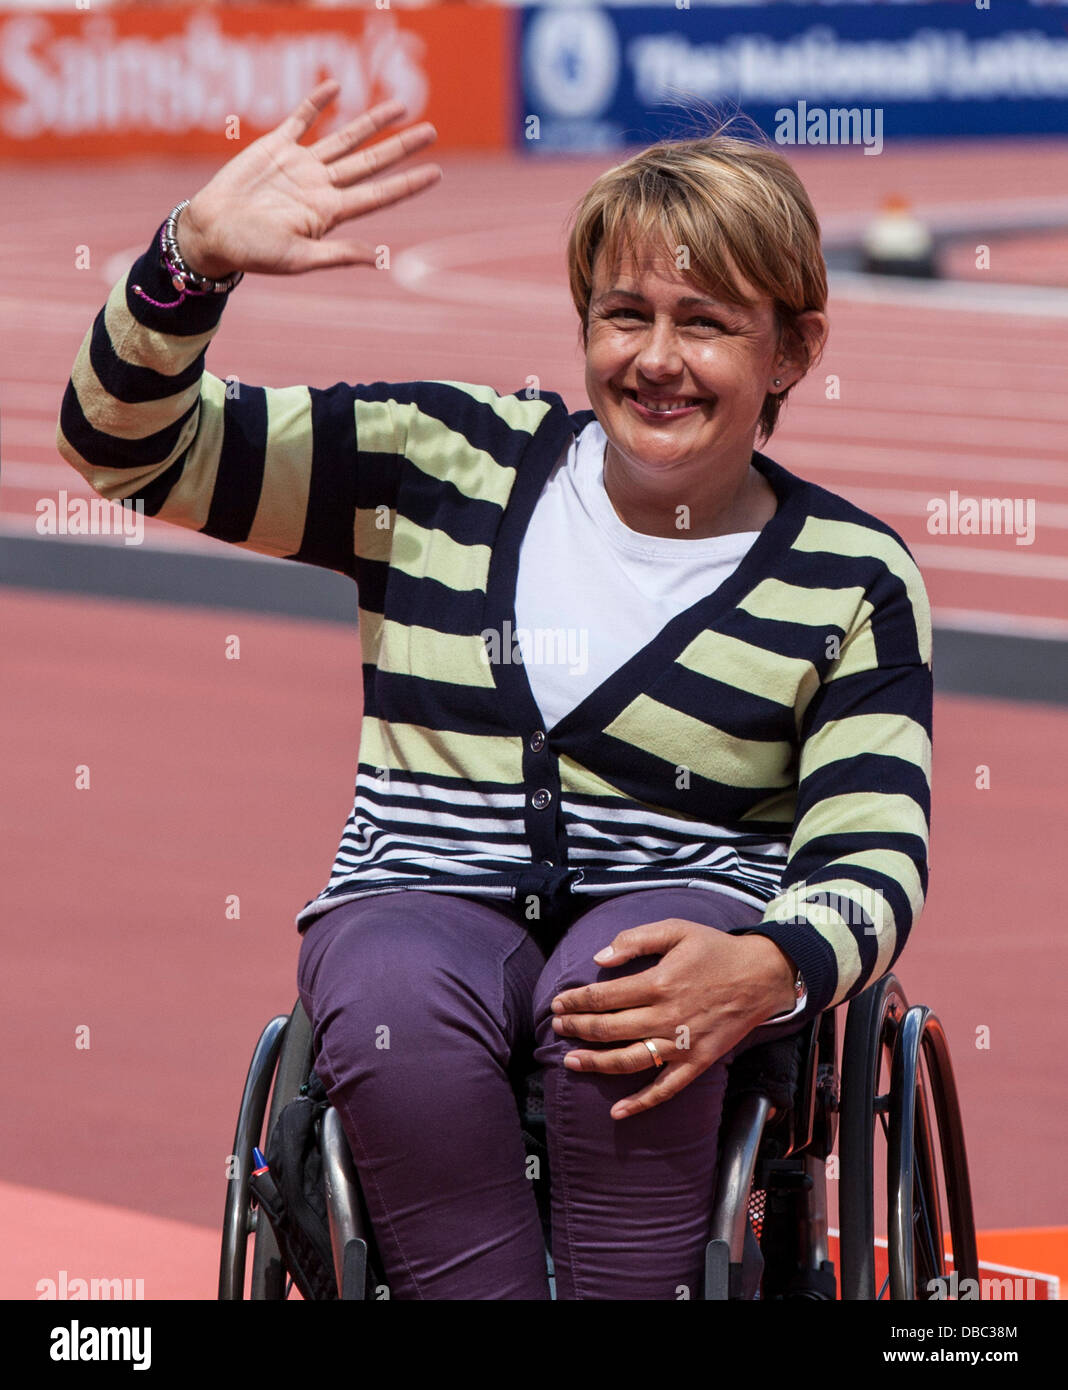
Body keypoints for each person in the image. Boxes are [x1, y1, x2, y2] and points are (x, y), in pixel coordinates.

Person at [57, 81, 933, 1301]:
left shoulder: (851, 576)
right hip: (415, 902)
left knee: (619, 993)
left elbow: (875, 856)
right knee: (391, 1001)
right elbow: (126, 448)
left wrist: (769, 965)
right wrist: (187, 263)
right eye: (624, 315)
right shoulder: (437, 463)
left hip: (686, 934)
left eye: (709, 323)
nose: (657, 360)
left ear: (793, 348)